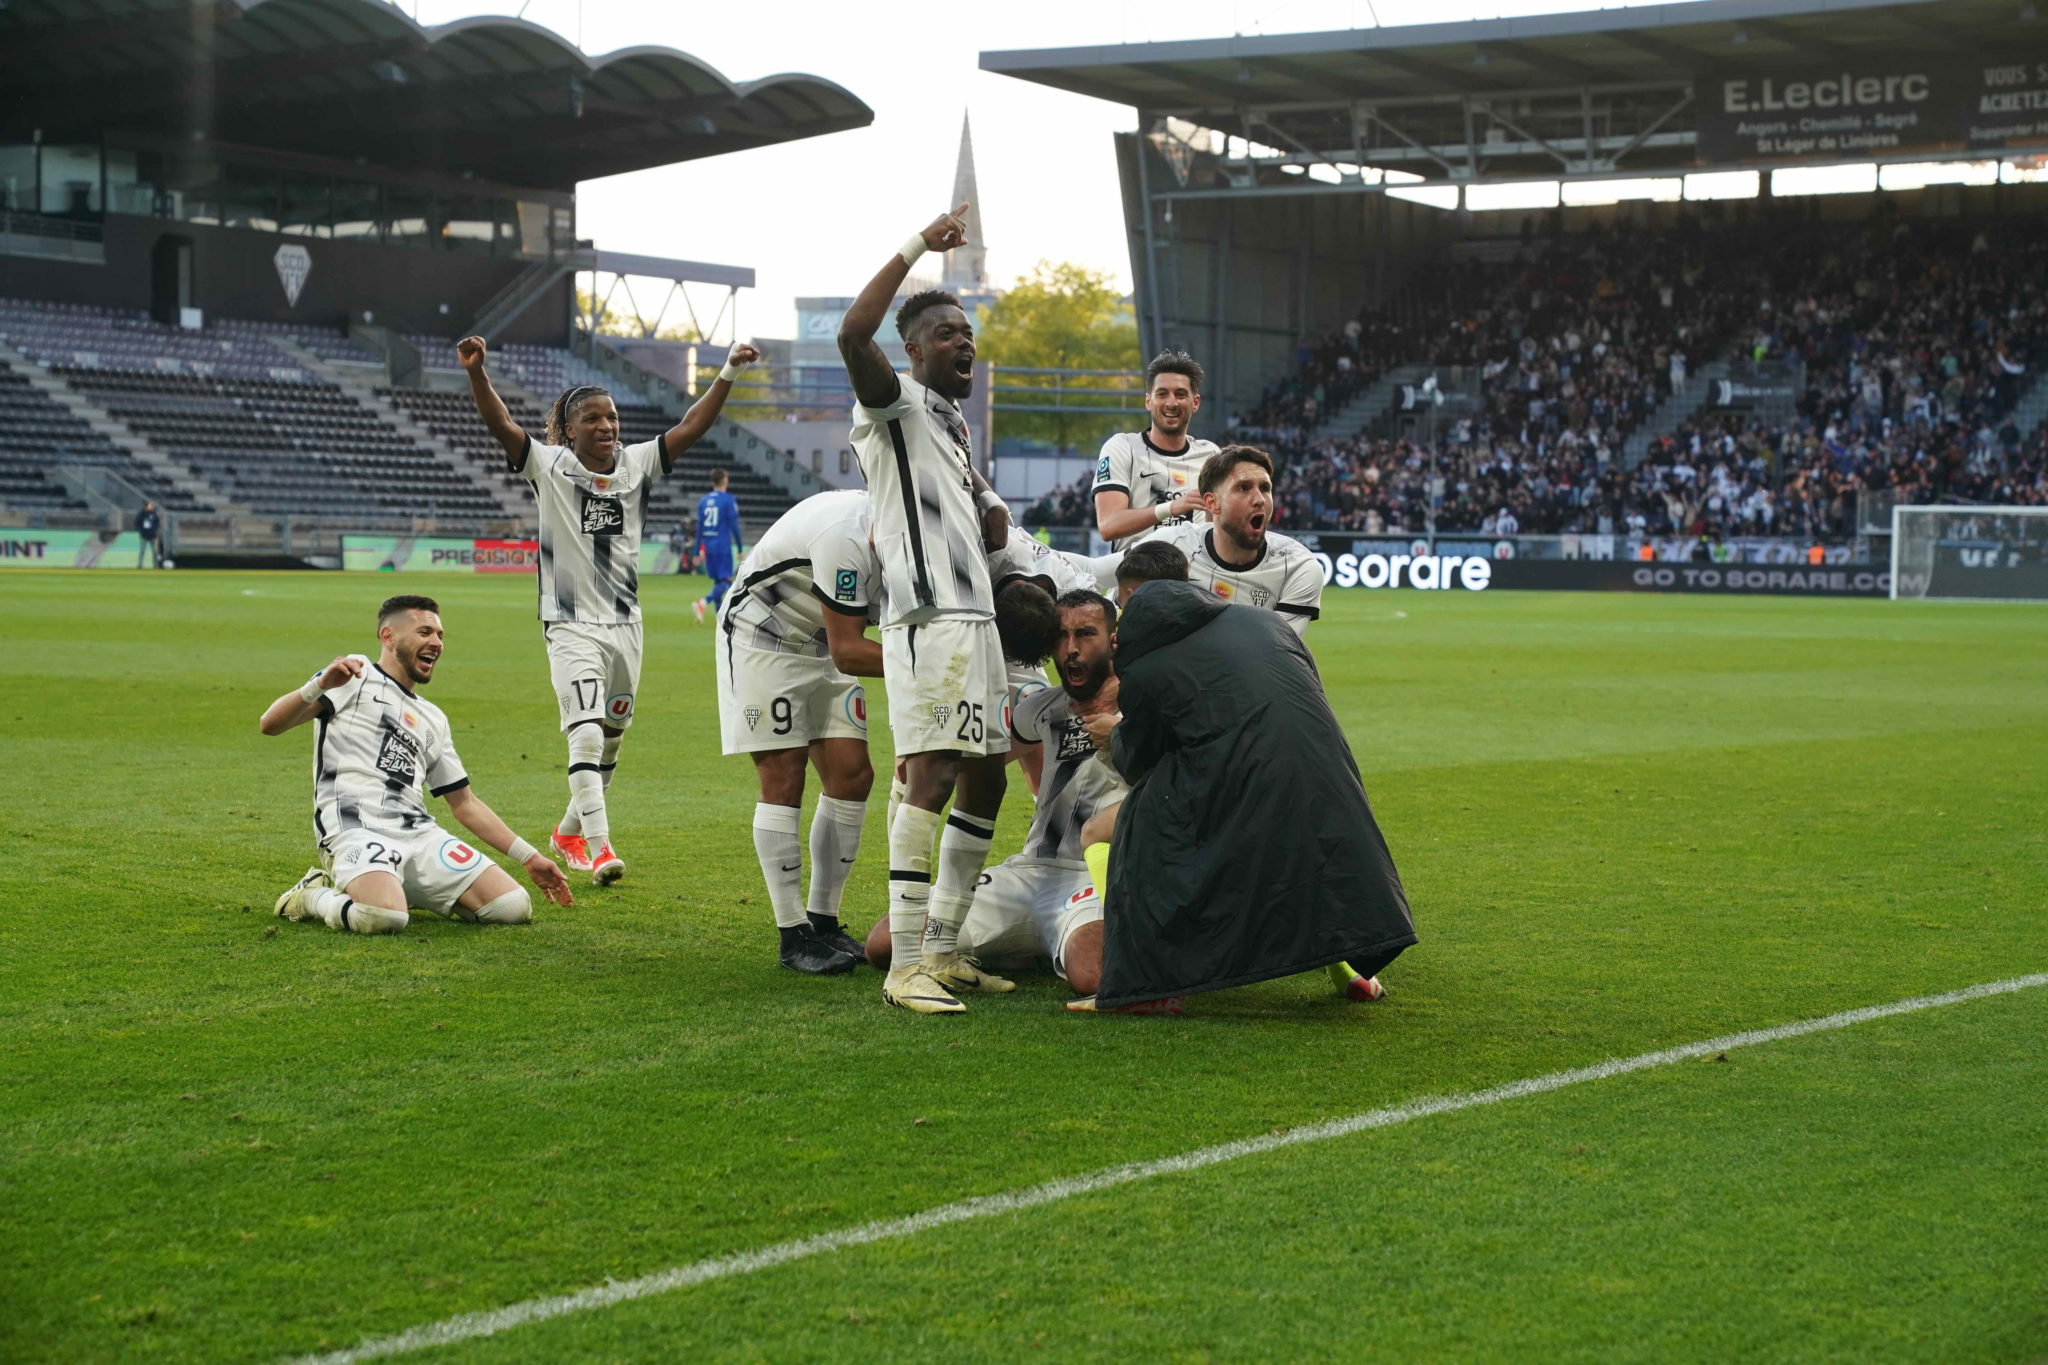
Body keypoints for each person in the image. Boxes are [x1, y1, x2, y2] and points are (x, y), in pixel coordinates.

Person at [456, 332, 759, 885]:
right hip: (570, 624)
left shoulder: (637, 465)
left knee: (612, 739)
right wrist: (478, 374)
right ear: (569, 429)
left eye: (612, 417)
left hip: (627, 625)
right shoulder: (547, 466)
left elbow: (690, 426)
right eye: (593, 419)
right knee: (587, 734)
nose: (606, 426)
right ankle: (598, 848)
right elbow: (501, 424)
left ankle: (569, 832)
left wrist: (729, 373)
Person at [1084, 578, 1415, 1010]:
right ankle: (1349, 967)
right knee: (1308, 853)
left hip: (1244, 785)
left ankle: (1145, 984)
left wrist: (1115, 735)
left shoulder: (1144, 663)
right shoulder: (1267, 623)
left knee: (1119, 829)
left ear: (1117, 638)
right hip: (1329, 775)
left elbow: (1140, 761)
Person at [839, 201, 1014, 1015]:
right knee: (935, 773)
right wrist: (916, 245)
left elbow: (980, 513)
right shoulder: (894, 405)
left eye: (968, 330)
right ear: (911, 353)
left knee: (987, 773)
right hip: (927, 617)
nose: (964, 340)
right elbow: (851, 333)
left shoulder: (948, 424)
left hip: (974, 618)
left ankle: (944, 946)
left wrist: (991, 510)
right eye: (947, 331)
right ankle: (904, 961)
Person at [261, 595, 573, 934]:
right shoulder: (354, 675)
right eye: (425, 632)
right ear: (388, 636)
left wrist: (529, 857)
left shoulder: (433, 718)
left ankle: (396, 885)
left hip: (417, 834)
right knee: (384, 918)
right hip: (355, 828)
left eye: (440, 635)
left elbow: (464, 803)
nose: (436, 643)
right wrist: (319, 684)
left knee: (511, 906)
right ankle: (312, 895)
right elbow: (271, 725)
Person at [866, 590, 1125, 993]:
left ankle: (1044, 942)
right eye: (1061, 636)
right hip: (1028, 872)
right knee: (883, 943)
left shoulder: (1144, 708)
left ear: (1113, 640)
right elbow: (982, 759)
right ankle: (1026, 943)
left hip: (1089, 877)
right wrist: (929, 755)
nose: (1071, 649)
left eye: (1086, 634)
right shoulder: (1041, 709)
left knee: (1093, 976)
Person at [716, 489, 884, 974]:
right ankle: (792, 936)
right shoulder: (844, 533)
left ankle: (823, 921)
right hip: (762, 638)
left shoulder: (914, 535)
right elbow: (850, 651)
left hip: (822, 640)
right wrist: (926, 669)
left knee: (853, 775)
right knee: (784, 778)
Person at [1136, 446, 1324, 633]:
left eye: (1265, 488)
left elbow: (1275, 651)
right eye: (1243, 488)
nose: (1259, 499)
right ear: (1212, 503)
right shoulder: (1174, 544)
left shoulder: (1297, 566)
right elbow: (1107, 574)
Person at [1093, 350, 1220, 550]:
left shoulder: (1210, 455)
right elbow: (1108, 526)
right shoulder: (1121, 448)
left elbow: (1218, 524)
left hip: (1191, 575)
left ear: (1195, 403)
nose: (1171, 403)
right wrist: (1172, 508)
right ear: (1148, 401)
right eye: (1162, 394)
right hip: (1134, 574)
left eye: (1180, 394)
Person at [693, 470, 741, 624]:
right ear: (725, 481)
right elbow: (734, 526)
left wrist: (696, 552)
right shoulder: (728, 500)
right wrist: (740, 548)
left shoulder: (703, 501)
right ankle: (703, 602)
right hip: (722, 546)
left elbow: (699, 529)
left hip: (708, 547)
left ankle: (720, 618)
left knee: (718, 582)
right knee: (727, 581)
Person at [134, 501, 162, 569]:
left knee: (155, 551)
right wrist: (141, 530)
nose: (151, 507)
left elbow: (157, 523)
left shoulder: (154, 514)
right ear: (146, 506)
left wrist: (155, 530)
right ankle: (140, 565)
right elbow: (137, 522)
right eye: (150, 506)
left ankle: (155, 565)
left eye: (152, 506)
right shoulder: (141, 514)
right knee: (142, 550)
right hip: (144, 535)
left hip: (152, 536)